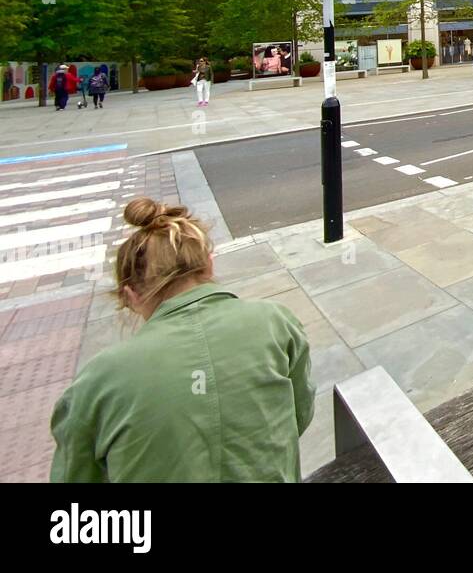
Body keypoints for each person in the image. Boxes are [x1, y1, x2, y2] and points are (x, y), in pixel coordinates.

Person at [49, 197, 315, 482]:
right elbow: (299, 415)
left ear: (130, 296)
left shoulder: (97, 382)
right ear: (209, 266)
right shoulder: (275, 322)